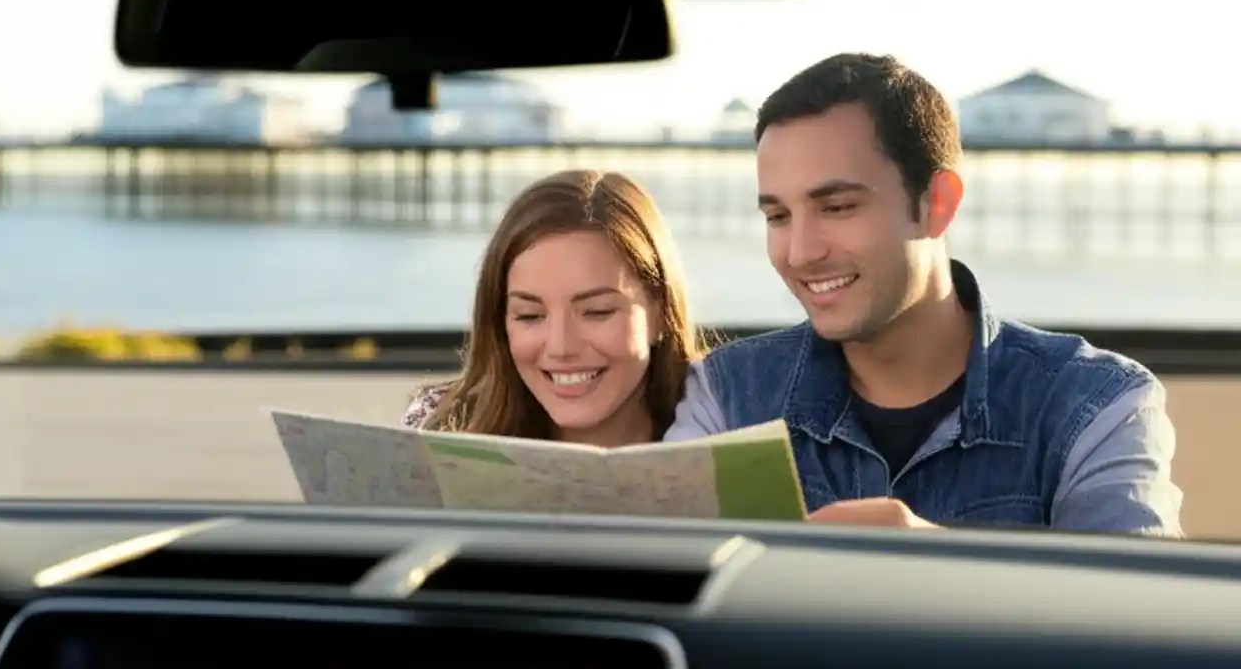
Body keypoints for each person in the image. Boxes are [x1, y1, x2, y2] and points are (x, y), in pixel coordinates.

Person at [665, 53, 1184, 536]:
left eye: (838, 207)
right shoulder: (725, 397)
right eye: (778, 216)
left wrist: (931, 561)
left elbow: (1134, 613)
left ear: (937, 202)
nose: (800, 253)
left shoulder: (1097, 405)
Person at [401, 169, 706, 447]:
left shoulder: (727, 420)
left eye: (597, 311)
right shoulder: (440, 430)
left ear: (660, 311)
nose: (561, 347)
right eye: (530, 316)